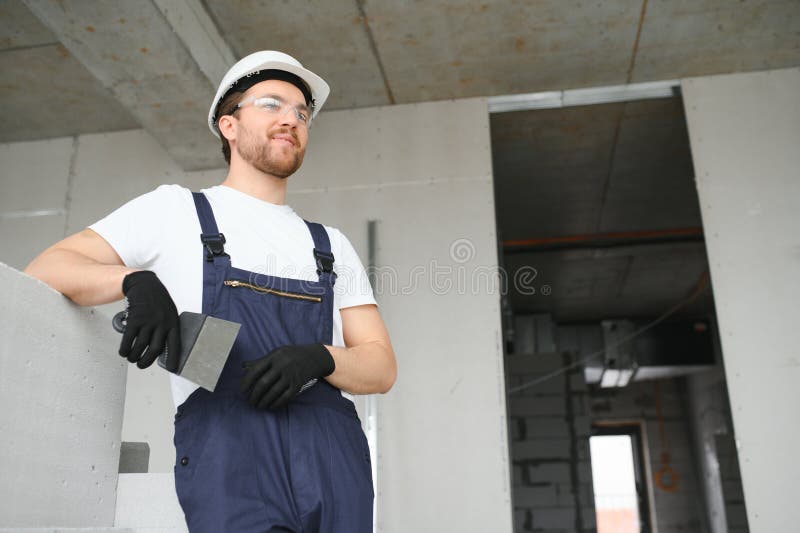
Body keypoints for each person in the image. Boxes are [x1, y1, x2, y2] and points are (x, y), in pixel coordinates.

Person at [24, 50, 396, 532]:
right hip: (230, 454)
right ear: (229, 125)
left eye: (302, 112)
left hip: (330, 453)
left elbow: (381, 364)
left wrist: (322, 357)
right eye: (271, 104)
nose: (292, 119)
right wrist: (132, 280)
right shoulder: (175, 212)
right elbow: (47, 267)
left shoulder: (328, 244)